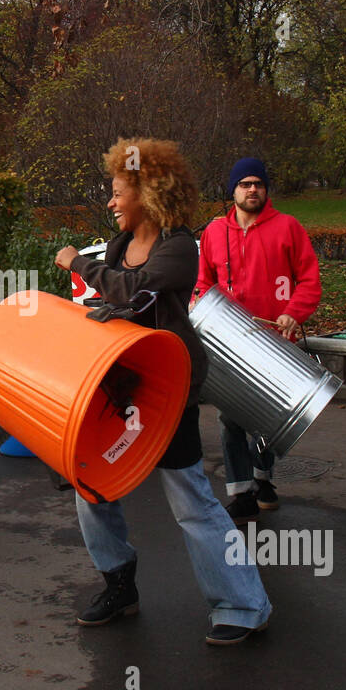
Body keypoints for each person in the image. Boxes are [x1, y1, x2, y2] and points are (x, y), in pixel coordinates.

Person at [56, 138, 272, 646]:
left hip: (167, 393)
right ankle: (119, 585)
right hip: (120, 388)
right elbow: (118, 307)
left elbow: (135, 293)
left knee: (191, 498)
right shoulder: (117, 247)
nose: (111, 203)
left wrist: (78, 265)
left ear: (147, 193)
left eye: (116, 193)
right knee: (93, 487)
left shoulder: (179, 247)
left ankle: (243, 605)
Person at [194, 157, 321, 522]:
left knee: (268, 420)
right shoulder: (215, 233)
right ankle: (241, 492)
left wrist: (293, 313)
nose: (252, 190)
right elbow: (204, 284)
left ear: (266, 190)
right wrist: (203, 312)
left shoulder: (288, 227)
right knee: (229, 420)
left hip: (275, 342)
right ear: (232, 190)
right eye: (245, 184)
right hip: (230, 345)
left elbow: (310, 281)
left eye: (258, 184)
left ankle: (263, 477)